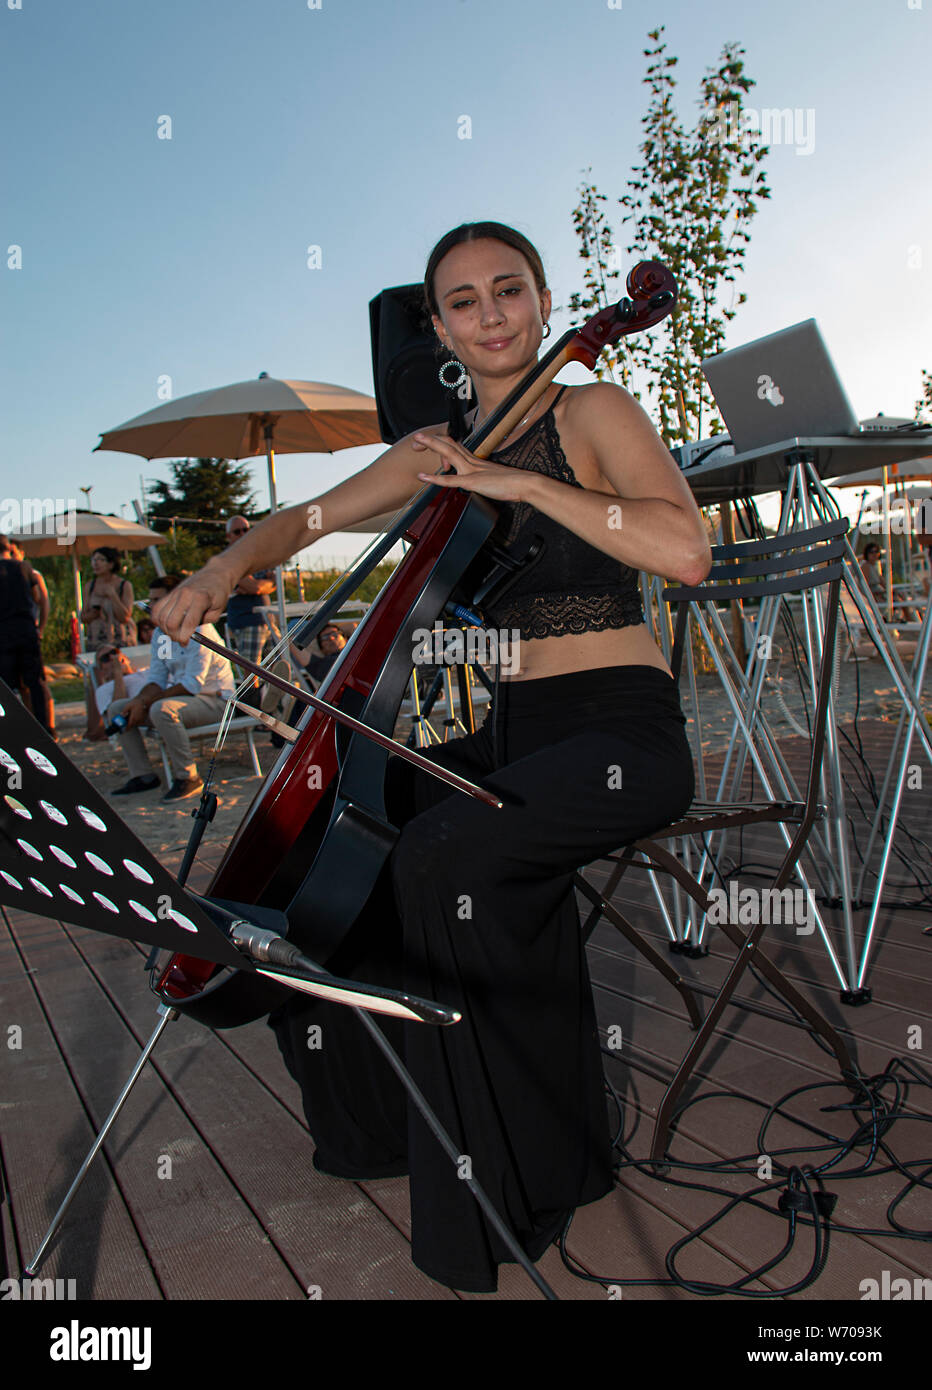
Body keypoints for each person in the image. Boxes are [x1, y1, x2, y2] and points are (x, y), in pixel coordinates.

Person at [151, 221, 711, 1292]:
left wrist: (527, 487)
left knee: (442, 852)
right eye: (463, 300)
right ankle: (374, 1124)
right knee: (328, 836)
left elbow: (682, 547)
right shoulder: (430, 450)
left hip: (618, 730)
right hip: (510, 739)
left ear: (543, 303)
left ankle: (501, 1185)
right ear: (442, 326)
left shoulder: (587, 409)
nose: (490, 313)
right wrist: (224, 566)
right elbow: (302, 518)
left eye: (509, 290)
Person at [107, 573, 235, 800]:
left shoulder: (200, 630)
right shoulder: (162, 634)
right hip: (187, 699)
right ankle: (143, 776)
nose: (152, 606)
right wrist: (138, 701)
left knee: (162, 709)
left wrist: (146, 702)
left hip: (217, 701)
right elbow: (157, 678)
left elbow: (192, 685)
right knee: (119, 708)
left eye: (157, 600)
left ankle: (188, 777)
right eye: (151, 600)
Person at [80, 547, 137, 738]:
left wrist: (112, 596)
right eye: (93, 560)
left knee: (122, 678)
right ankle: (96, 728)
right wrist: (95, 612)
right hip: (97, 639)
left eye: (100, 560)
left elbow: (126, 615)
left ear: (111, 563)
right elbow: (84, 616)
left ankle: (123, 718)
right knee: (96, 680)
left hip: (121, 639)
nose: (95, 564)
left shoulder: (123, 585)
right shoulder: (90, 585)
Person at [0, 533, 53, 733]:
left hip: (3, 632)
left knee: (7, 687)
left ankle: (12, 730)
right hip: (26, 628)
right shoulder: (24, 567)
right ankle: (45, 728)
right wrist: (40, 627)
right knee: (35, 682)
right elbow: (38, 597)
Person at [223, 516, 278, 705]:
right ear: (229, 536)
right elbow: (253, 586)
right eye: (238, 531)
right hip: (247, 620)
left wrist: (262, 585)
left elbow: (270, 583)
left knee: (278, 666)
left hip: (267, 619)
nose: (243, 534)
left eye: (246, 529)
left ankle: (273, 709)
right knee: (252, 669)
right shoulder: (230, 558)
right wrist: (266, 584)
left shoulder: (259, 556)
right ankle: (254, 711)